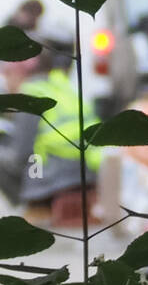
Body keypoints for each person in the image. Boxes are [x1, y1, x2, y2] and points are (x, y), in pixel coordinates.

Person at [0, 45, 102, 223]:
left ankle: (36, 204)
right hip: (87, 172)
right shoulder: (62, 86)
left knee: (27, 158)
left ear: (19, 72)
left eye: (6, 74)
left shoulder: (31, 95)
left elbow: (20, 154)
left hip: (51, 178)